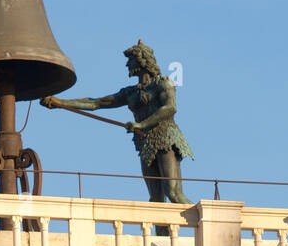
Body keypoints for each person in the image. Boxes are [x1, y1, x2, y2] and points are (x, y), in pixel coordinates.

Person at [42, 40, 193, 213]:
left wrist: (141, 123)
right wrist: (61, 102)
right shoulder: (130, 92)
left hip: (165, 137)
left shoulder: (164, 83)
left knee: (173, 193)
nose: (128, 64)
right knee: (156, 199)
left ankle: (203, 221)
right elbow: (96, 103)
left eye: (131, 60)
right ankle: (162, 238)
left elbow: (170, 108)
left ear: (142, 61)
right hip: (145, 142)